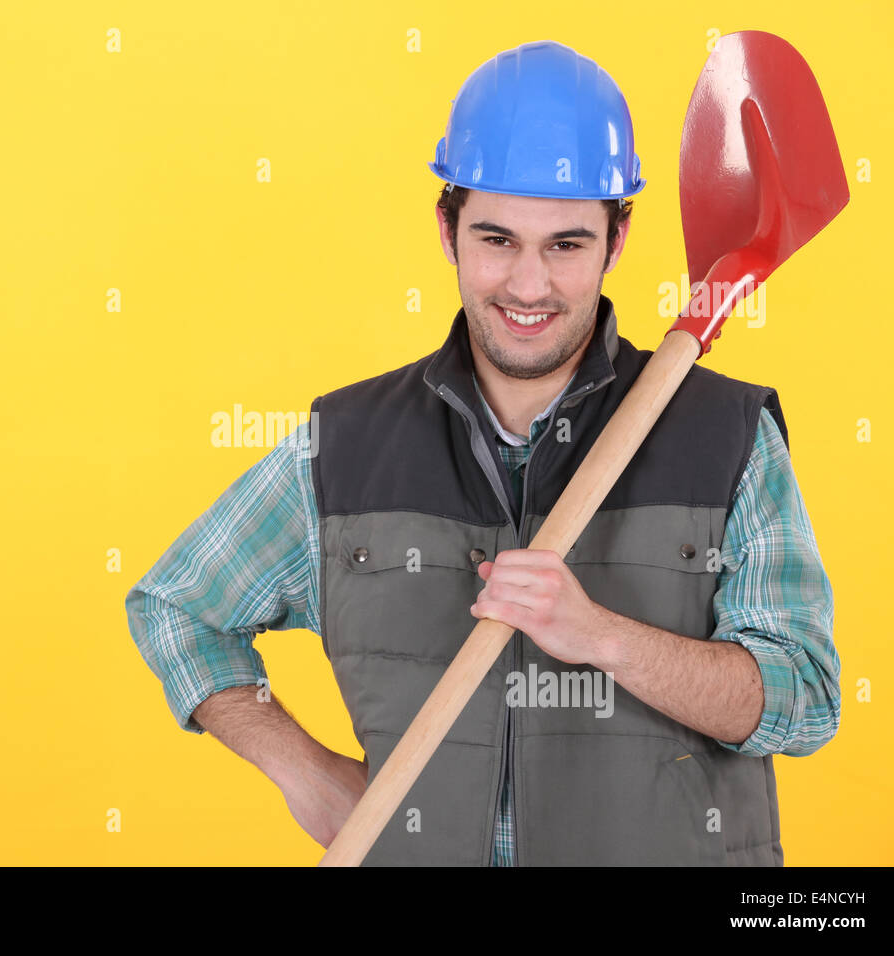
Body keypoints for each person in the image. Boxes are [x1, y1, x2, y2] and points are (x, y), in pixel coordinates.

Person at [124, 40, 840, 865]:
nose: (528, 286)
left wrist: (602, 636)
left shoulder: (728, 435)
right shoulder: (346, 444)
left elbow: (806, 701)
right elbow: (177, 608)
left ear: (617, 238)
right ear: (446, 227)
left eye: (565, 245)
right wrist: (309, 775)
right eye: (497, 239)